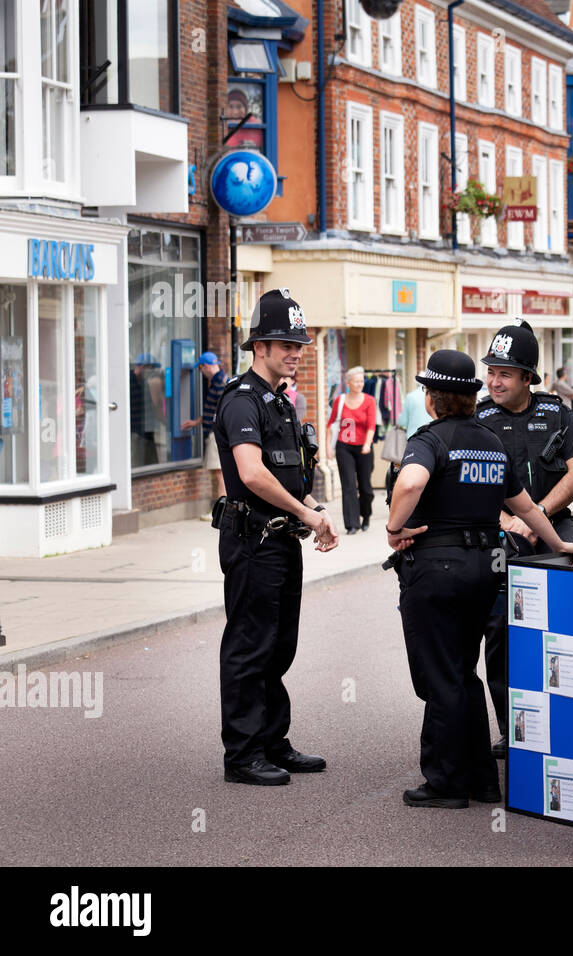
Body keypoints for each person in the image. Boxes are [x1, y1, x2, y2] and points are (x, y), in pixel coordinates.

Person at [386, 349, 573, 809]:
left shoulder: (429, 440)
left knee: (440, 677)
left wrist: (394, 530)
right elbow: (526, 506)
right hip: (484, 571)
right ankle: (482, 780)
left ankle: (445, 782)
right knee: (464, 673)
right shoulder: (490, 441)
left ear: (432, 398)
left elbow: (410, 484)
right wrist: (560, 545)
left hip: (436, 571)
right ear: (470, 397)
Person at [213, 289, 339, 786]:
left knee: (278, 646)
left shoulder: (280, 402)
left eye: (299, 344)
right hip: (252, 541)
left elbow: (287, 479)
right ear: (258, 345)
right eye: (285, 343)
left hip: (282, 540)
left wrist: (315, 511)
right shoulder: (242, 401)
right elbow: (251, 473)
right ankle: (242, 755)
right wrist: (303, 515)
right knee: (250, 646)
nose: (295, 351)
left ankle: (272, 742)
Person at [477, 321, 573, 757]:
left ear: (527, 377)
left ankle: (567, 725)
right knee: (501, 636)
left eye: (504, 373)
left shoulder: (556, 412)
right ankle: (513, 729)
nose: (494, 380)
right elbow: (471, 482)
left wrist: (537, 515)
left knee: (567, 631)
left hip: (555, 531)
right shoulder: (477, 419)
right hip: (500, 536)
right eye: (491, 371)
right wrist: (508, 517)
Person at [326, 366, 377, 534]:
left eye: (361, 381)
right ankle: (352, 524)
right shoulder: (340, 401)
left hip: (364, 447)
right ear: (348, 383)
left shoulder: (369, 400)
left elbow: (371, 426)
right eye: (356, 381)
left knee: (365, 488)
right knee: (348, 486)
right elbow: (331, 424)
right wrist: (328, 447)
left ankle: (366, 515)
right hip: (344, 446)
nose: (359, 384)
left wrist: (367, 444)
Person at [182, 351, 230, 516]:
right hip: (216, 432)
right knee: (219, 473)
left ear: (207, 366)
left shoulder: (220, 384)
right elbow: (215, 409)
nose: (201, 372)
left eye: (201, 368)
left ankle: (220, 511)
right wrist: (197, 422)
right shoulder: (221, 380)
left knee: (220, 473)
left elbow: (224, 410)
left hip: (216, 434)